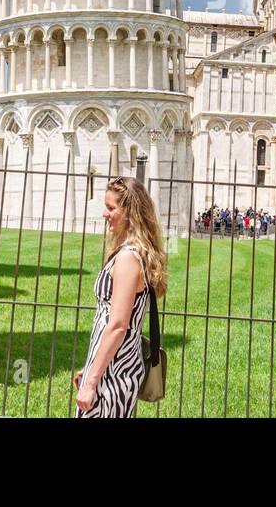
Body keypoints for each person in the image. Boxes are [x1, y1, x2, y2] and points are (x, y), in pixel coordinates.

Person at [75, 176, 167, 418]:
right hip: (113, 366)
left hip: (114, 374)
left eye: (111, 208)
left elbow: (117, 325)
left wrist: (92, 381)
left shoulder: (128, 258)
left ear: (131, 213)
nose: (105, 214)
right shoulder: (130, 253)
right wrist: (92, 365)